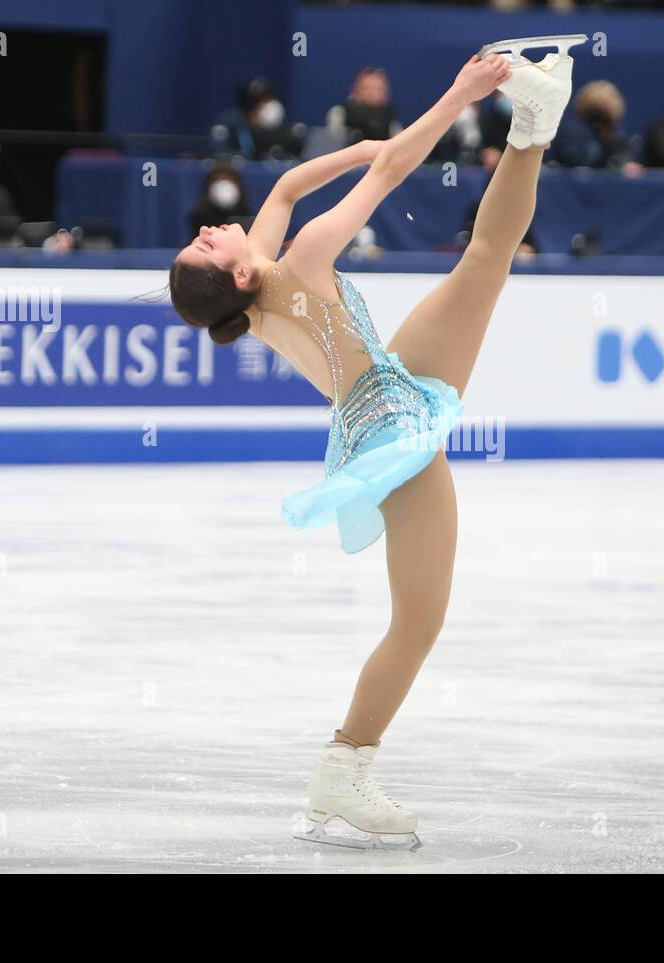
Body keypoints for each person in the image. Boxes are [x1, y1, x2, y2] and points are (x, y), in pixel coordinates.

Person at [168, 38, 582, 850]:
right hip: (392, 435)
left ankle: (532, 126)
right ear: (241, 275)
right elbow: (391, 177)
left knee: (485, 262)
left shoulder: (258, 276)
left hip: (391, 380)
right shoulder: (299, 261)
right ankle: (344, 766)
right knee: (418, 623)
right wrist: (457, 97)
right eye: (208, 244)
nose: (213, 229)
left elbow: (287, 181)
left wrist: (357, 148)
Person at [187, 165, 253, 238]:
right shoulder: (199, 217)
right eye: (218, 179)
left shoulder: (247, 217)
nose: (224, 186)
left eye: (228, 179)